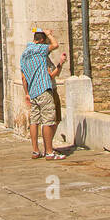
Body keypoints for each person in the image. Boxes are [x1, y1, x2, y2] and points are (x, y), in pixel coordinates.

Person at [19, 28, 68, 160]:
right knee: (48, 121)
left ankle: (35, 151)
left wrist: (27, 93)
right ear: (41, 41)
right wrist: (49, 34)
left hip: (33, 92)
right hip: (43, 89)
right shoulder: (39, 49)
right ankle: (50, 152)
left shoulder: (24, 54)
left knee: (34, 121)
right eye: (44, 41)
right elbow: (55, 45)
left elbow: (23, 77)